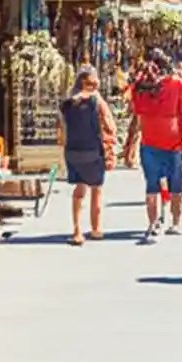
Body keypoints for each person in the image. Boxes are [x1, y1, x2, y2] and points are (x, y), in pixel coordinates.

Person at [132, 49, 182, 240]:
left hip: (151, 142)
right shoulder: (178, 84)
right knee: (175, 185)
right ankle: (173, 223)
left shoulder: (141, 88)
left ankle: (154, 224)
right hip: (173, 144)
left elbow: (137, 112)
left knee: (153, 185)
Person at [59, 65, 117, 245]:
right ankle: (95, 228)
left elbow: (60, 132)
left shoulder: (67, 103)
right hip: (93, 151)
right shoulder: (96, 101)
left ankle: (77, 231)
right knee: (96, 189)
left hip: (72, 152)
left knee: (79, 190)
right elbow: (110, 125)